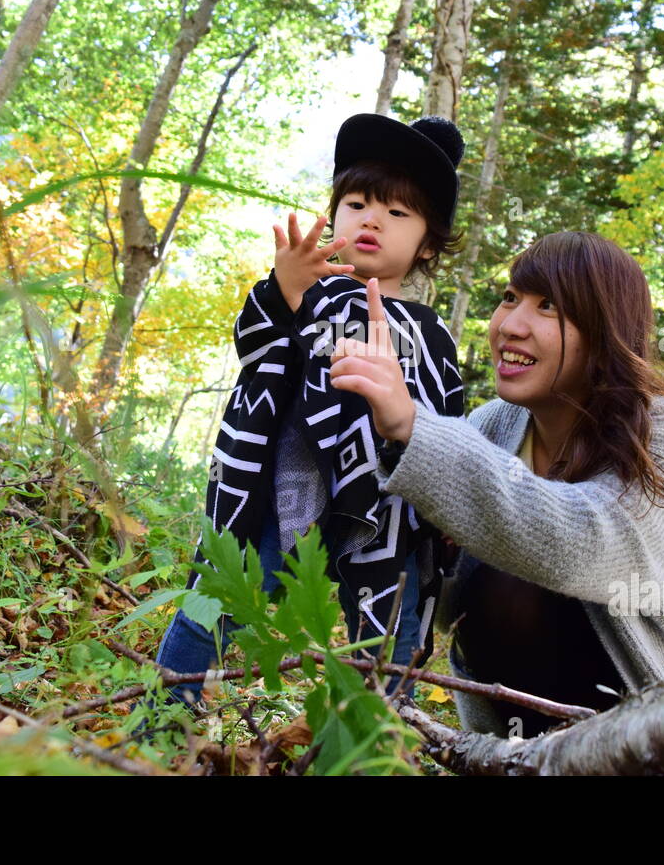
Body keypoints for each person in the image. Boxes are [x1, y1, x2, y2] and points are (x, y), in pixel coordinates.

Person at [329, 230, 664, 737]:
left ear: (604, 331)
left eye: (547, 306)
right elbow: (451, 608)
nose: (510, 325)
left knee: (517, 578)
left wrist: (414, 426)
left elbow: (585, 547)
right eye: (510, 298)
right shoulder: (496, 424)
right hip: (520, 735)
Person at [154, 114, 468, 710]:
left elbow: (443, 422)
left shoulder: (429, 332)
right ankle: (166, 714)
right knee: (217, 597)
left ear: (427, 243)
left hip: (381, 510)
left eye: (398, 214)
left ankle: (369, 735)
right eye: (356, 205)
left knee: (387, 631)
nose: (372, 219)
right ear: (334, 214)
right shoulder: (307, 290)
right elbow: (255, 347)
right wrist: (286, 289)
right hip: (276, 492)